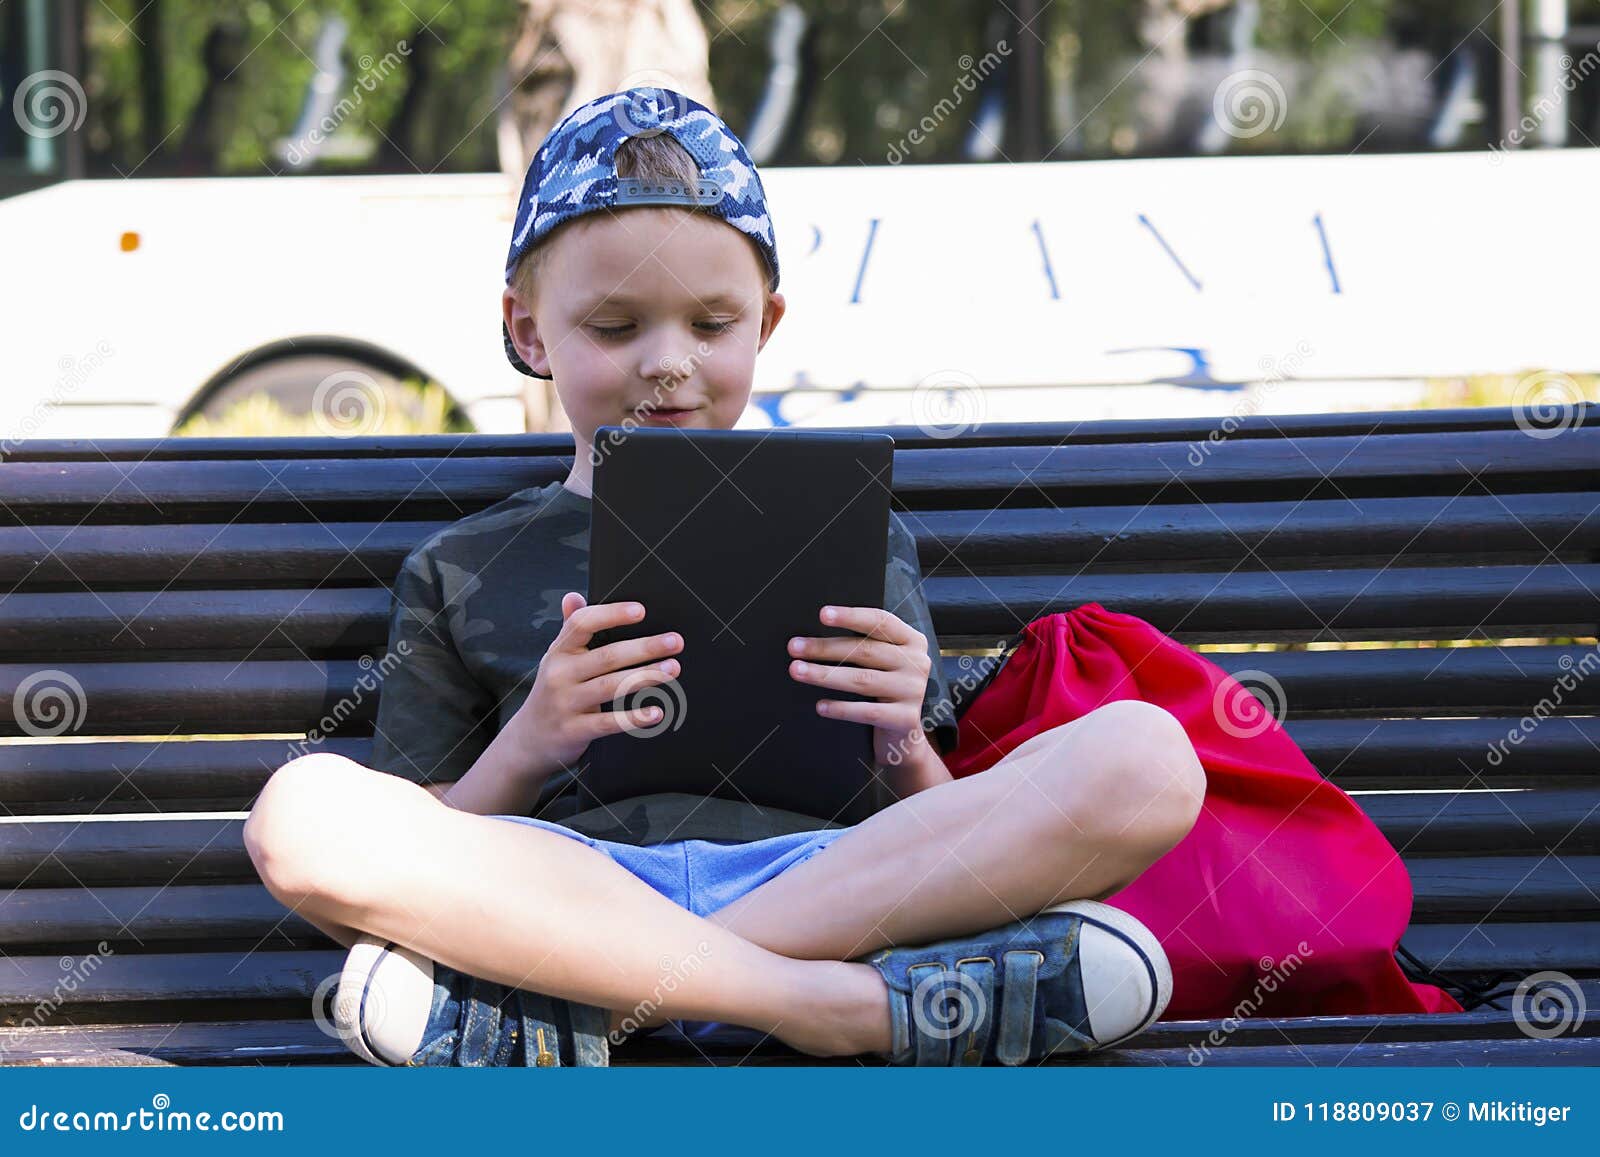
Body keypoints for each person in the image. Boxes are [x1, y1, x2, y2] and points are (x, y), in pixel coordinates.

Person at [241, 88, 1207, 1068]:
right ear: (528, 331)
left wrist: (904, 735)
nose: (669, 363)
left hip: (823, 884)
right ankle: (842, 1008)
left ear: (765, 322)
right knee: (301, 815)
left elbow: (928, 825)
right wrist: (533, 736)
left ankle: (593, 1008)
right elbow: (435, 835)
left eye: (711, 323)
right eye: (615, 327)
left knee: (1147, 756)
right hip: (568, 887)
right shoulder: (461, 565)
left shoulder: (852, 532)